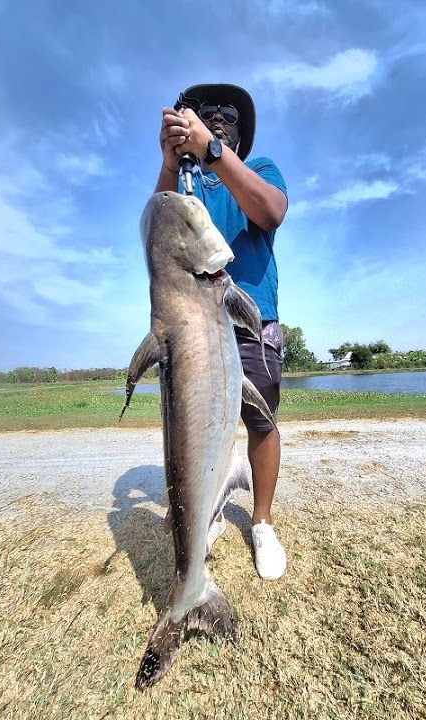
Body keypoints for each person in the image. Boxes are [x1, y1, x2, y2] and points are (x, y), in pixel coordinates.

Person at [154, 83, 289, 580]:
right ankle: (206, 510)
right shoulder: (186, 186)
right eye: (203, 113)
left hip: (253, 316)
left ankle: (262, 521)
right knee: (196, 425)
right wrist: (171, 163)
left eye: (225, 114)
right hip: (194, 325)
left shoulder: (261, 170)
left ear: (239, 129)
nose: (215, 118)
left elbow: (271, 211)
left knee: (261, 419)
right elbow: (160, 232)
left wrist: (213, 152)